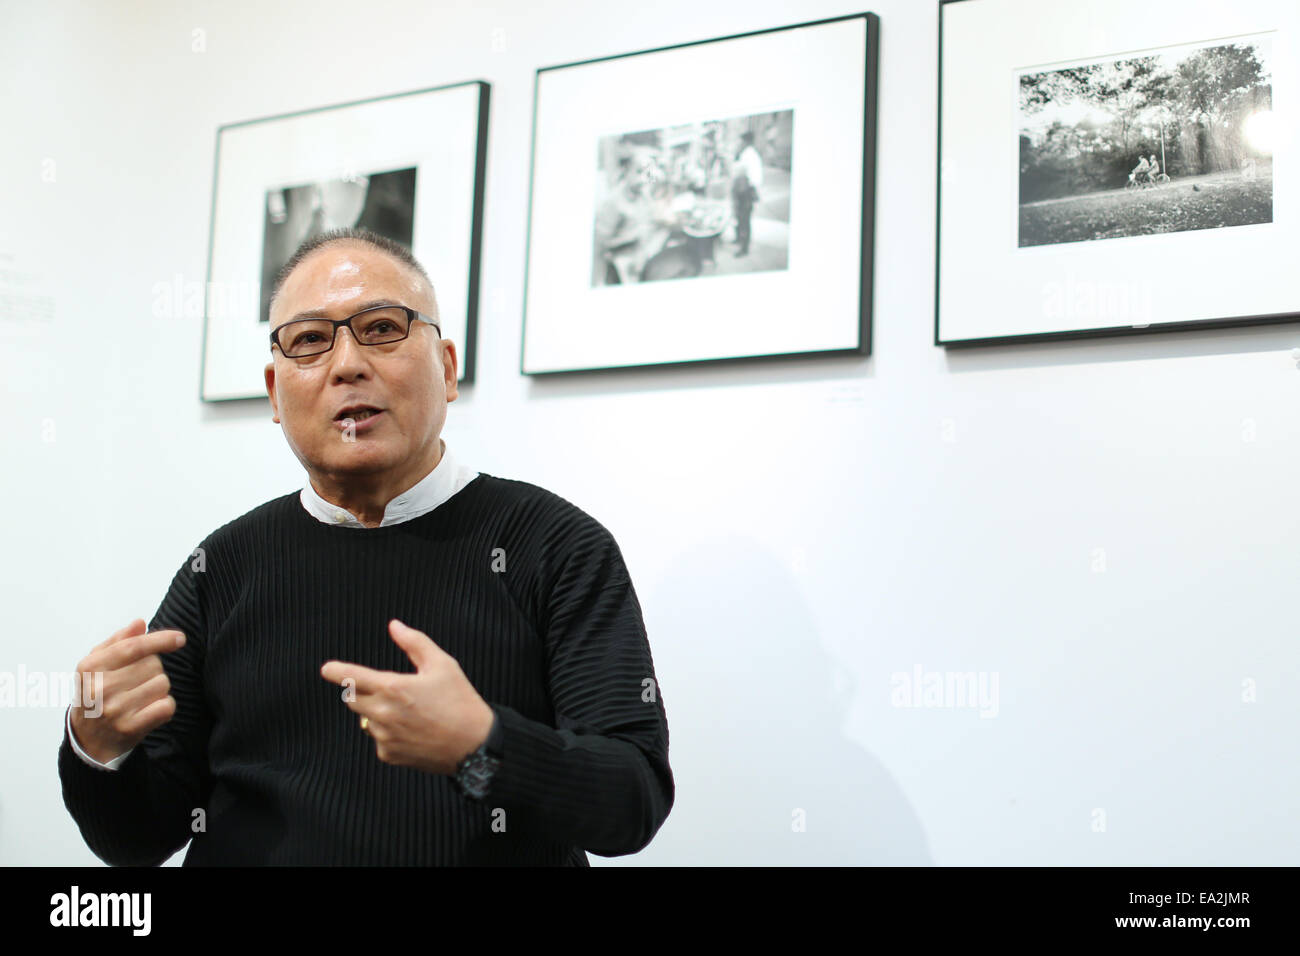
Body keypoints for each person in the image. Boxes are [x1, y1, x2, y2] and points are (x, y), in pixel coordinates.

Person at [58, 228, 674, 865]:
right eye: (310, 341)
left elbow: (632, 800)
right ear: (275, 393)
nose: (347, 363)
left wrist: (482, 746)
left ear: (447, 369)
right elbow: (136, 841)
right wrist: (97, 747)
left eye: (381, 328)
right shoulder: (224, 567)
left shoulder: (556, 546)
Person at [731, 132, 764, 256]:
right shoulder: (744, 154)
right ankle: (739, 239)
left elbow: (754, 177)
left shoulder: (751, 155)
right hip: (741, 190)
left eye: (741, 141)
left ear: (747, 142)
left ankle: (744, 248)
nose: (740, 143)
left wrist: (751, 191)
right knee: (739, 217)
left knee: (745, 219)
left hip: (747, 191)